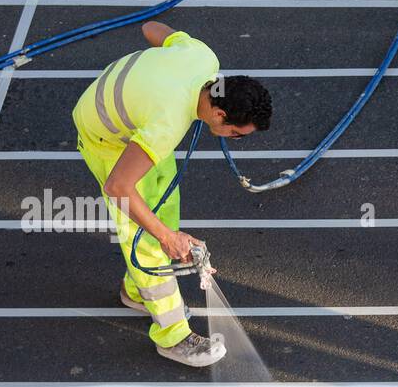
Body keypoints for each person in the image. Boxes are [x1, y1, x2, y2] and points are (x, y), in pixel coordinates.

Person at [72, 21, 272, 367]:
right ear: (220, 113)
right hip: (106, 138)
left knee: (165, 203)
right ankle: (173, 337)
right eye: (237, 134)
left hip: (133, 120)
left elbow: (152, 28)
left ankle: (137, 292)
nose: (236, 140)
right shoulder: (167, 123)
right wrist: (166, 237)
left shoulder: (203, 59)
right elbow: (118, 188)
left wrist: (148, 79)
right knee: (145, 238)